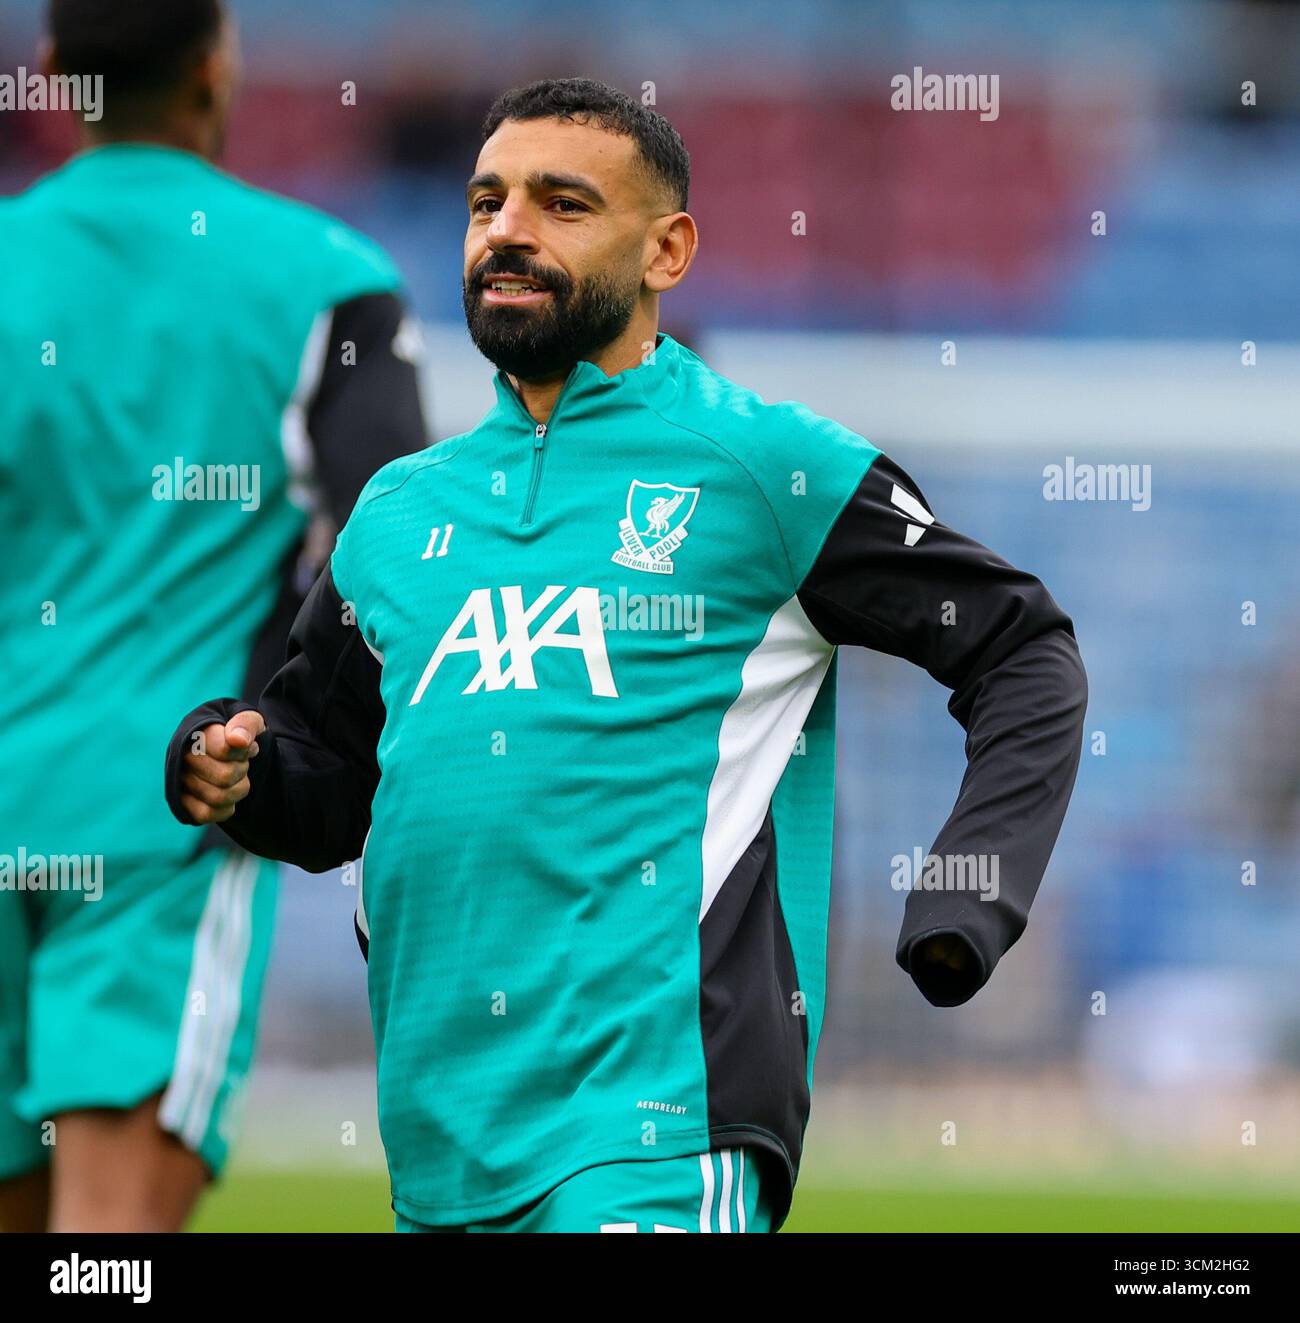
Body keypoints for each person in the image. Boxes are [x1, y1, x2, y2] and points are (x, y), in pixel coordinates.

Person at [165, 77, 1087, 1233]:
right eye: (485, 200)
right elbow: (325, 774)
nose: (507, 228)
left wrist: (968, 887)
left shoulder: (764, 467)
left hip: (659, 1130)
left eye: (560, 203)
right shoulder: (399, 513)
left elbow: (1023, 648)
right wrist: (229, 764)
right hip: (441, 1143)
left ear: (668, 250)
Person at [0, 0, 427, 1231]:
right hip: (156, 824)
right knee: (108, 1247)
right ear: (214, 68)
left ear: (50, 78)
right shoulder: (327, 281)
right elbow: (395, 550)